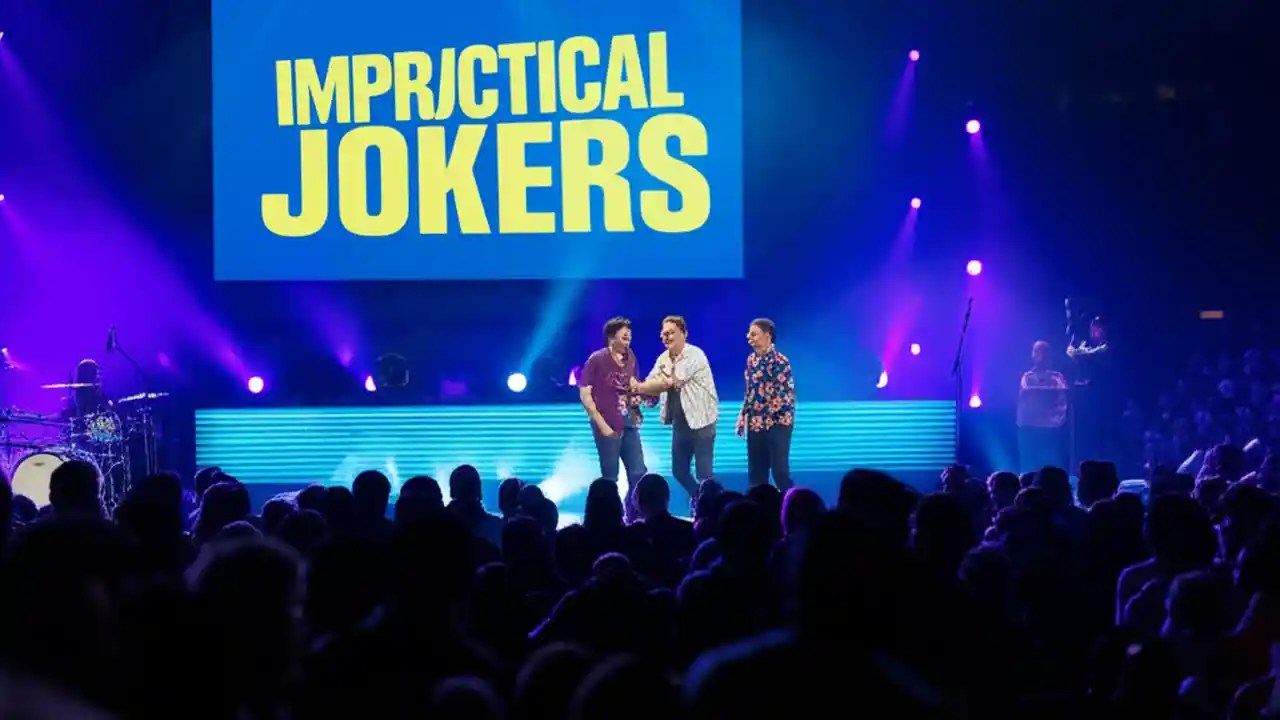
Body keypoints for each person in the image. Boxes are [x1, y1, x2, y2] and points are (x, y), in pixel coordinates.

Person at [631, 316, 719, 503]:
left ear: (684, 334)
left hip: (701, 422)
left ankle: (713, 507)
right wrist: (641, 394)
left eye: (671, 333)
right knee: (679, 471)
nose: (666, 337)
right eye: (663, 334)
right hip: (680, 424)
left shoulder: (695, 355)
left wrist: (638, 387)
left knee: (705, 475)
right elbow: (651, 382)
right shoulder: (663, 359)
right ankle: (700, 499)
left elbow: (670, 382)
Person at [578, 317, 648, 520]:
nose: (628, 338)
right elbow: (585, 392)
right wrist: (600, 423)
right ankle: (610, 518)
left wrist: (637, 406)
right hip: (607, 423)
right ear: (611, 337)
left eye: (630, 335)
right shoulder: (597, 359)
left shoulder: (631, 357)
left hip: (628, 423)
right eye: (623, 334)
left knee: (638, 472)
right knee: (610, 477)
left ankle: (634, 515)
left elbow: (632, 384)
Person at [737, 319, 795, 491]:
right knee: (756, 475)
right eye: (749, 334)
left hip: (778, 423)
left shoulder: (781, 361)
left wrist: (765, 415)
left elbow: (785, 397)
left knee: (780, 473)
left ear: (767, 335)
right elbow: (750, 392)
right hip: (756, 423)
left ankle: (792, 506)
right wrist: (743, 416)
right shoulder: (751, 361)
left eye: (753, 334)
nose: (749, 337)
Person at [1017, 340, 1068, 472]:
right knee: (1029, 462)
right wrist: (1047, 391)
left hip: (1051, 426)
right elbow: (1026, 391)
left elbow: (1062, 391)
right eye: (1037, 351)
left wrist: (1040, 391)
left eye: (1044, 351)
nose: (1041, 355)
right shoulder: (1027, 376)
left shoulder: (1057, 376)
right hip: (1030, 425)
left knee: (1052, 462)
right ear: (1032, 355)